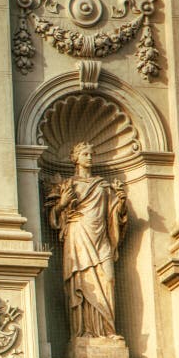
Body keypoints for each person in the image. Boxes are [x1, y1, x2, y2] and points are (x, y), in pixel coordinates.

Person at [47, 142, 128, 340]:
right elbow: (53, 217)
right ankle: (83, 332)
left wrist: (122, 201)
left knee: (108, 278)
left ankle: (108, 330)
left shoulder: (103, 185)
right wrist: (63, 204)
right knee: (80, 282)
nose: (89, 157)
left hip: (101, 237)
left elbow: (114, 216)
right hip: (78, 235)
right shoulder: (67, 185)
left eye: (91, 153)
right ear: (74, 158)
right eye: (84, 153)